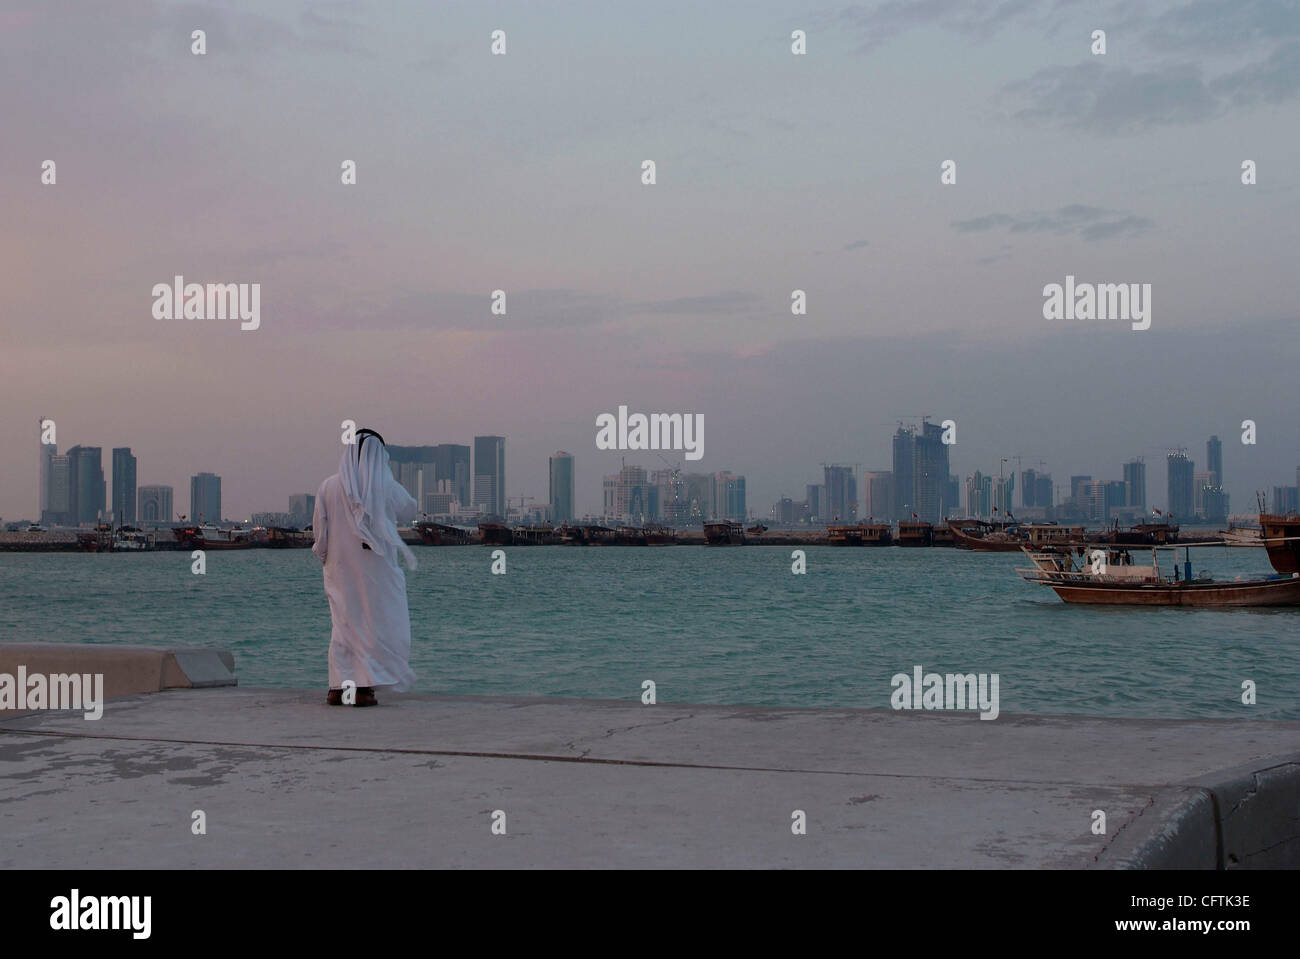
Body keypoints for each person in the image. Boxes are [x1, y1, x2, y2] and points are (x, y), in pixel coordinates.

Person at [312, 428, 419, 706]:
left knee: (344, 623)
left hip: (338, 567)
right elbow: (410, 510)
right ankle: (364, 687)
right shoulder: (385, 486)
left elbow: (319, 533)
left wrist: (327, 558)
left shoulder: (327, 486)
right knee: (375, 624)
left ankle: (338, 687)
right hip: (376, 571)